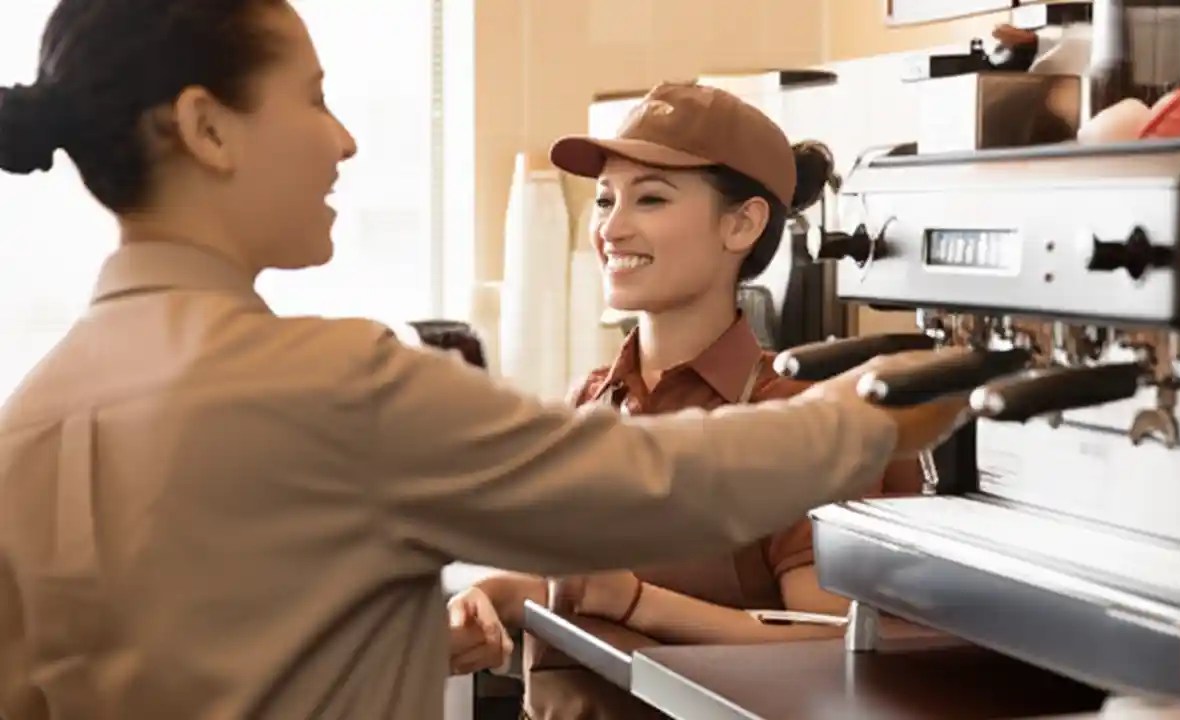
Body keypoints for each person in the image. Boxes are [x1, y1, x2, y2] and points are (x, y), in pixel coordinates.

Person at [0, 2, 970, 719]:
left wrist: (401, 640)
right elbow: (663, 483)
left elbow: (185, 649)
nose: (342, 139)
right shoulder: (336, 384)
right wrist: (879, 412)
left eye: (651, 197)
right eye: (313, 98)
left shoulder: (27, 422)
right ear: (208, 128)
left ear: (744, 226)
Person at [450, 83, 926, 719]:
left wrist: (638, 604)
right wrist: (496, 596)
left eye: (649, 198)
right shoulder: (592, 397)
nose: (611, 228)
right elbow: (579, 588)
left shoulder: (799, 422)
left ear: (742, 224)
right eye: (604, 200)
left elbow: (838, 643)